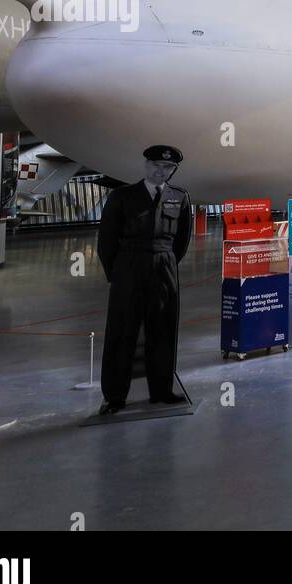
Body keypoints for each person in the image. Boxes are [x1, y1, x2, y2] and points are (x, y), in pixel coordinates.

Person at [96, 145, 193, 414]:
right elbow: (106, 240)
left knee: (162, 330)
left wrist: (167, 263)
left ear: (173, 171)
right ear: (145, 165)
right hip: (129, 267)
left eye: (168, 168)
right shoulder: (123, 196)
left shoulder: (179, 197)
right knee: (122, 332)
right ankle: (115, 397)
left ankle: (162, 391)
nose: (161, 171)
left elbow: (182, 240)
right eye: (156, 166)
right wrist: (116, 275)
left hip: (164, 267)